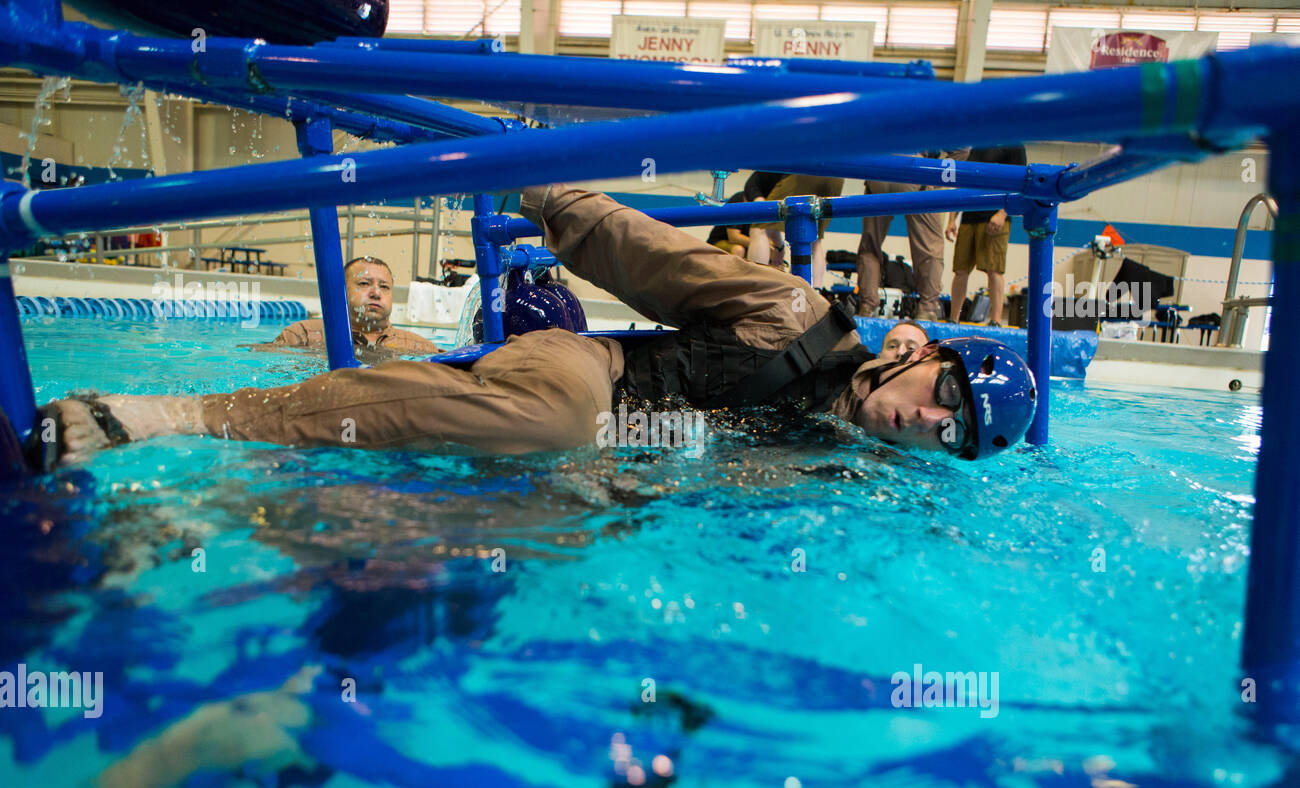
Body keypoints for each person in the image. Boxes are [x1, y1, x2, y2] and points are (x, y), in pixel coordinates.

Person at [29, 184, 1036, 470]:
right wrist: (505, 170)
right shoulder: (790, 315)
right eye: (946, 395)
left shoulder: (855, 473)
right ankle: (182, 411)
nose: (930, 424)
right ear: (916, 348)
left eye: (957, 437)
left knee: (491, 569)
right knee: (559, 421)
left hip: (616, 479)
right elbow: (630, 247)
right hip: (588, 384)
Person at [856, 149, 971, 320]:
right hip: (914, 170)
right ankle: (927, 309)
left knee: (870, 245)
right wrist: (936, 176)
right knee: (929, 247)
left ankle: (867, 305)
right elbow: (963, 148)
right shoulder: (931, 120)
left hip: (878, 169)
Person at [266, 255, 441, 354]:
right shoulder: (304, 336)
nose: (376, 293)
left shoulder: (418, 347)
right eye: (364, 284)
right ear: (341, 291)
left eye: (384, 287)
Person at [945, 144, 1029, 328]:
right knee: (960, 270)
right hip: (970, 215)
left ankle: (996, 320)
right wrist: (952, 218)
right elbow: (964, 183)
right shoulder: (979, 145)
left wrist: (1003, 213)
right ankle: (953, 318)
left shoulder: (1015, 146)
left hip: (995, 215)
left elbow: (1019, 185)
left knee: (994, 270)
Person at [747, 174, 845, 287]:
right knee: (815, 240)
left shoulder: (754, 184)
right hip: (836, 176)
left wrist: (779, 247)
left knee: (759, 228)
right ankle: (815, 293)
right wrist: (780, 247)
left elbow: (765, 216)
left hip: (806, 169)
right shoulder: (768, 176)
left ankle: (756, 288)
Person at [705, 193, 751, 257]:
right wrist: (762, 244)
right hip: (720, 241)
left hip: (747, 246)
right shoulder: (740, 199)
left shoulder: (767, 202)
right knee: (738, 250)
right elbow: (734, 237)